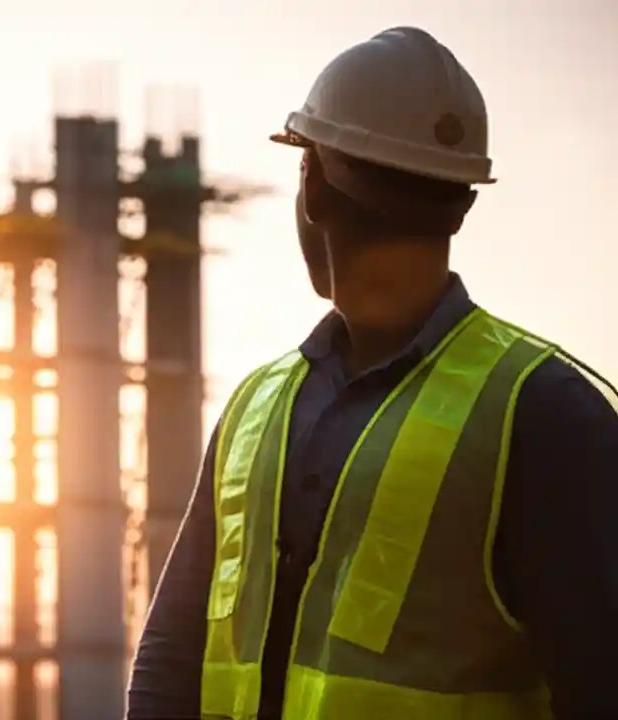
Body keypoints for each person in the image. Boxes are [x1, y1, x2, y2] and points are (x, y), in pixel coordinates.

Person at [127, 26, 618, 720]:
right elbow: (177, 658)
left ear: (315, 185)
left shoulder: (540, 416)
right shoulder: (260, 407)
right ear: (463, 201)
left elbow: (164, 672)